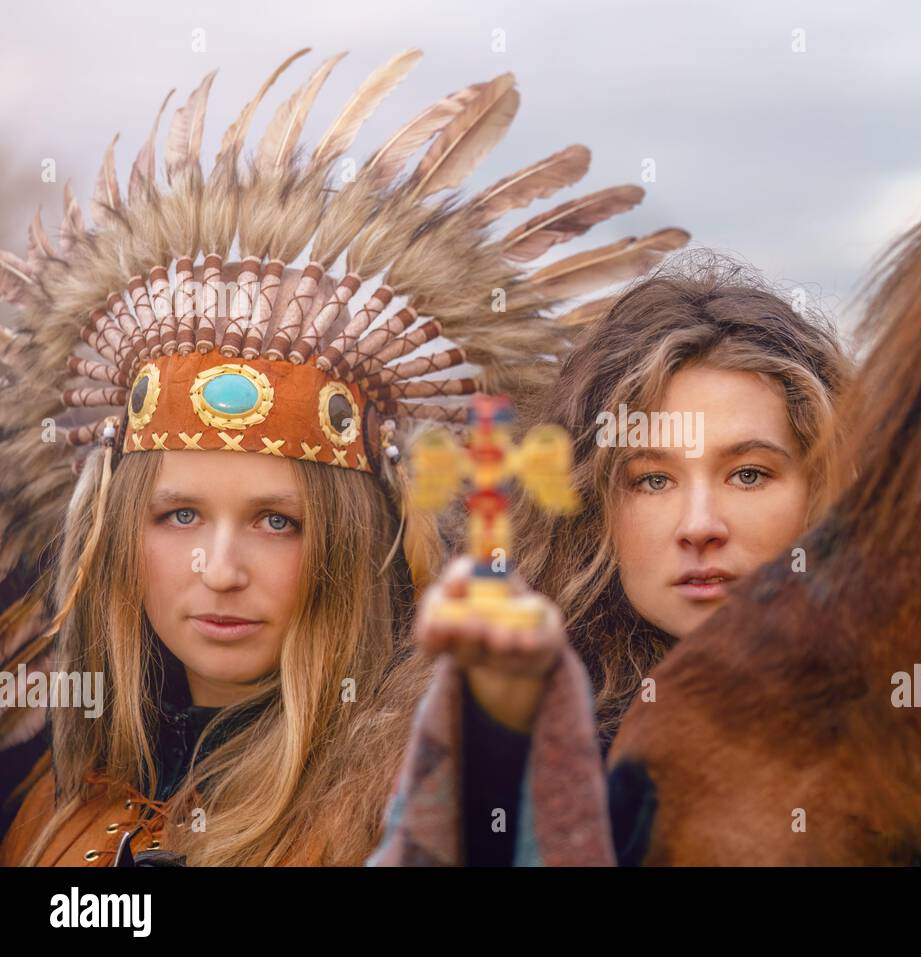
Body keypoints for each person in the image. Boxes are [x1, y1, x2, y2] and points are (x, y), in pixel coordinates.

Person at [0, 49, 684, 866]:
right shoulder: (53, 802)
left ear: (362, 543)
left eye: (277, 520)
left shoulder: (427, 811)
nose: (220, 568)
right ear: (117, 534)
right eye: (179, 513)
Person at [368, 256, 848, 866]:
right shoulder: (527, 735)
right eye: (652, 481)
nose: (700, 525)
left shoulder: (916, 730)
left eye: (748, 474)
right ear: (594, 507)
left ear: (826, 487)